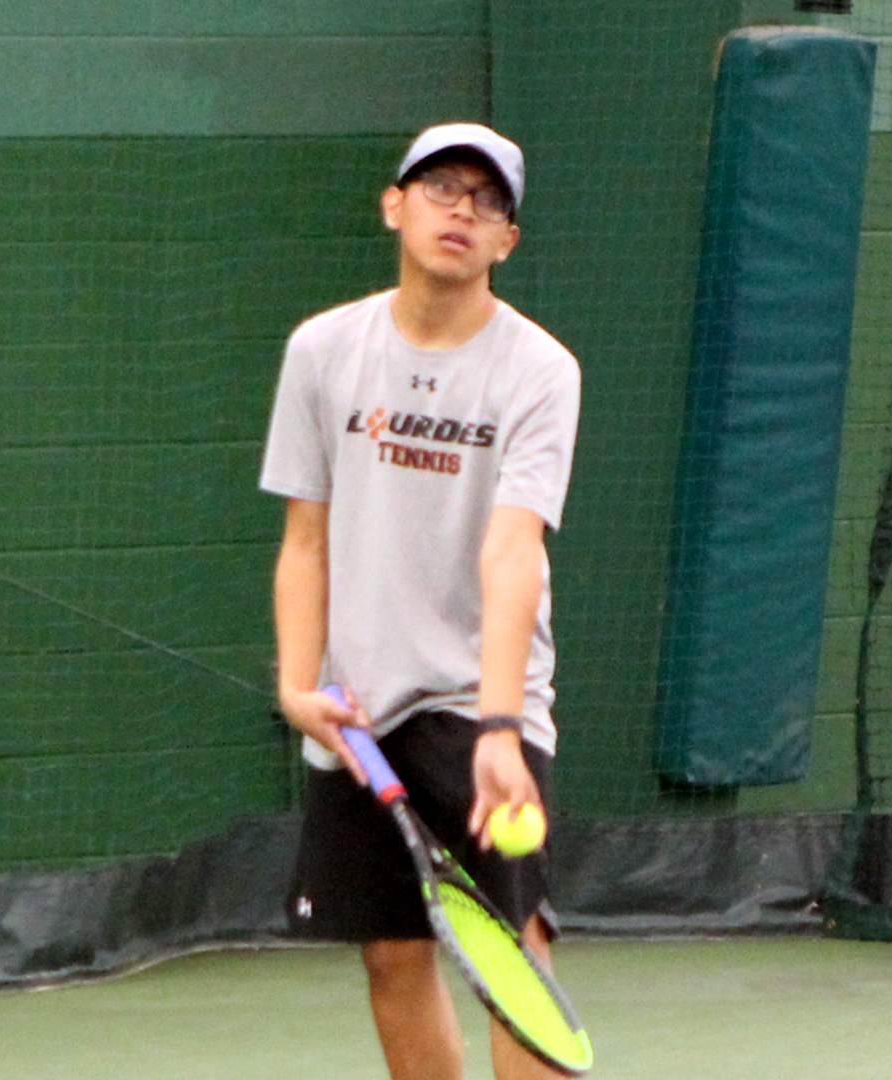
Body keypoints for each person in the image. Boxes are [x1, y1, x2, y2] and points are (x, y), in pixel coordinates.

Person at [258, 122, 581, 1080]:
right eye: (442, 188)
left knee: (511, 952)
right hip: (354, 707)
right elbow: (304, 542)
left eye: (489, 203)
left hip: (473, 700)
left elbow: (513, 549)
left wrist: (498, 727)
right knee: (393, 952)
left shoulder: (539, 370)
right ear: (395, 206)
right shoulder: (323, 352)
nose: (463, 211)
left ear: (506, 243)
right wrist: (296, 686)